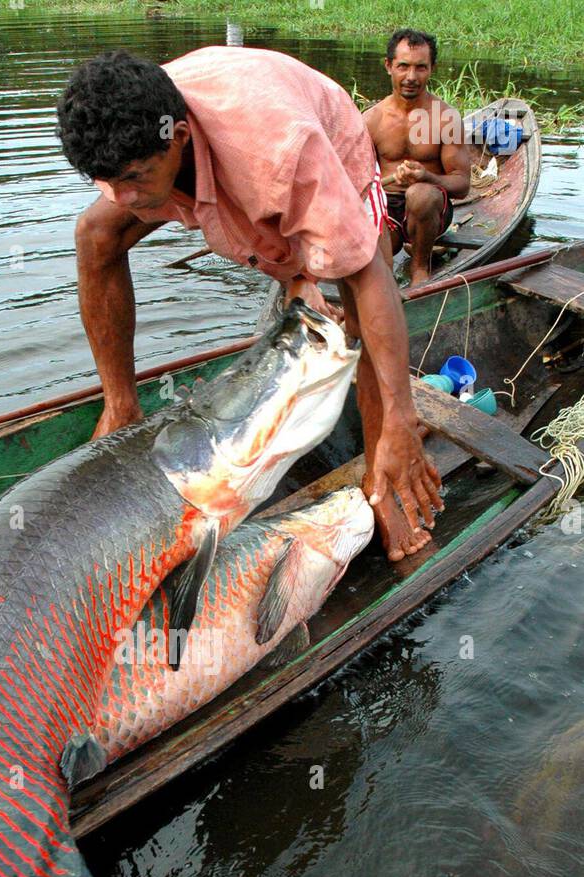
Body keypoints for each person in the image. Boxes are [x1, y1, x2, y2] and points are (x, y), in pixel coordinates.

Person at [57, 46, 442, 562]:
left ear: (179, 137)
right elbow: (120, 197)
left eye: (135, 178)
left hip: (326, 144)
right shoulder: (124, 133)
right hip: (232, 153)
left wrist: (401, 417)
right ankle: (121, 405)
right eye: (108, 181)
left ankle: (382, 477)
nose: (123, 197)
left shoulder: (283, 152)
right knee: (96, 235)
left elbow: (369, 276)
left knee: (357, 281)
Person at [364, 29, 472, 287]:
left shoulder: (445, 117)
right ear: (388, 66)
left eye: (420, 68)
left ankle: (420, 269)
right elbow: (359, 183)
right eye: (403, 66)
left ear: (432, 68)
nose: (411, 77)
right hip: (387, 210)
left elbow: (462, 185)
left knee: (420, 195)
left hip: (430, 210)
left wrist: (427, 177)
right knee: (369, 260)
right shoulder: (370, 120)